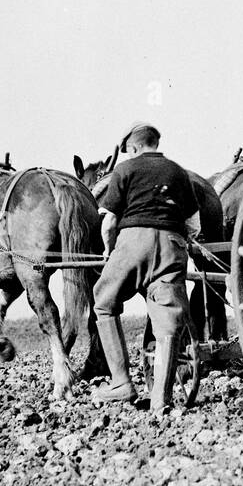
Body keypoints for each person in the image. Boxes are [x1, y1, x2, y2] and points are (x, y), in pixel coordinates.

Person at [91, 122, 198, 412]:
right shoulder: (178, 171)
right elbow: (192, 222)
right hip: (172, 245)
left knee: (104, 300)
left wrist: (108, 252)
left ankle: (121, 382)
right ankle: (161, 399)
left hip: (134, 242)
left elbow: (110, 222)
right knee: (168, 322)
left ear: (135, 147)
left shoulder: (125, 170)